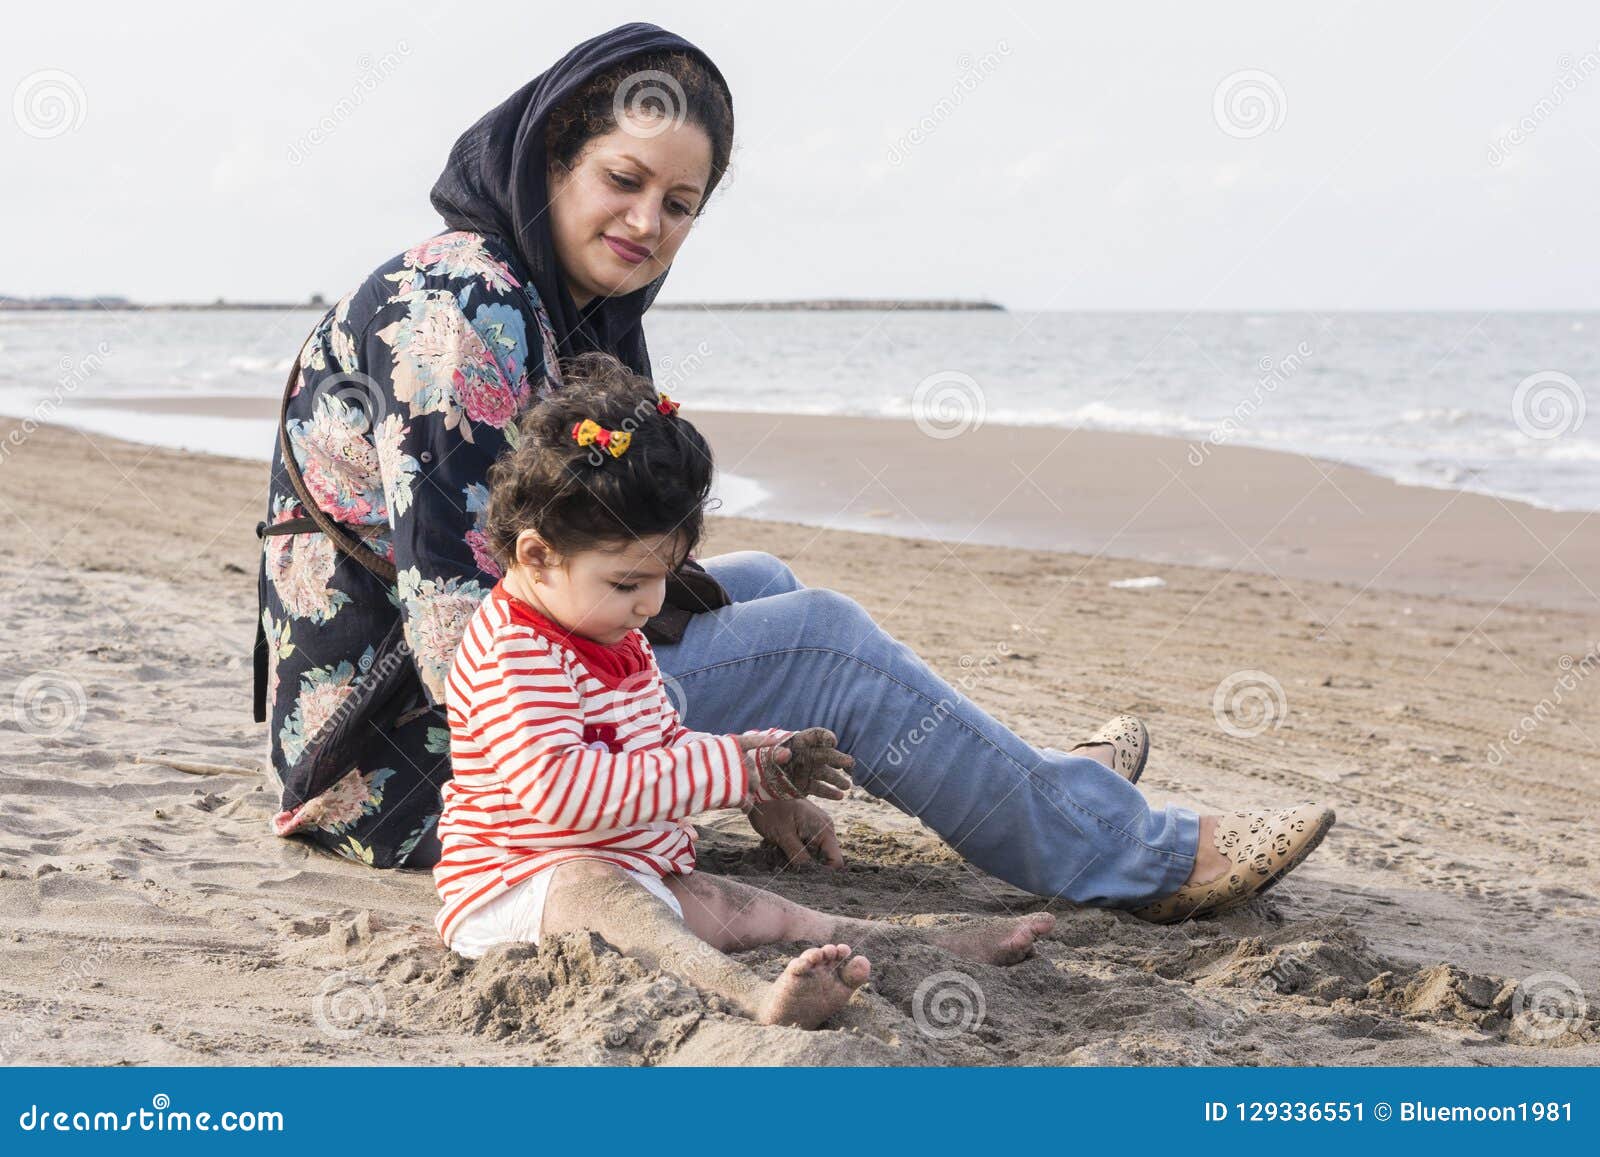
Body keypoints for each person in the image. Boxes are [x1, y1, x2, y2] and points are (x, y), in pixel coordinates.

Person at [255, 21, 1335, 923]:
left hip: (458, 729)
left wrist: (750, 766)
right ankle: (1132, 852)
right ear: (549, 159)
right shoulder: (465, 308)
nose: (646, 224)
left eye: (679, 205)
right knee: (821, 645)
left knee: (754, 584)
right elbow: (464, 637)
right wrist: (731, 753)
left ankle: (1026, 786)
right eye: (622, 181)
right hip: (418, 781)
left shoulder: (556, 301)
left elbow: (604, 556)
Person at [434, 356, 1056, 1027]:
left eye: (664, 576)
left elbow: (665, 744)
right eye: (627, 582)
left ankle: (913, 944)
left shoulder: (613, 632)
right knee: (611, 899)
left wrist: (763, 758)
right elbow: (562, 791)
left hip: (633, 864)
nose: (652, 603)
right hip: (522, 885)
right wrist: (733, 770)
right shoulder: (516, 649)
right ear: (535, 556)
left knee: (764, 909)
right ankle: (751, 993)